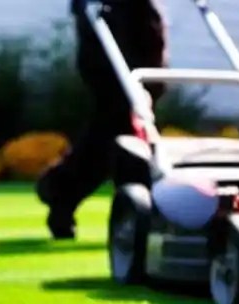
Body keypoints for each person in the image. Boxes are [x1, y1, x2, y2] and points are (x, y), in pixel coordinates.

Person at [36, 0, 168, 240]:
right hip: (105, 27)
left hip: (141, 30)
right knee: (120, 129)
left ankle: (63, 190)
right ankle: (132, 214)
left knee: (124, 131)